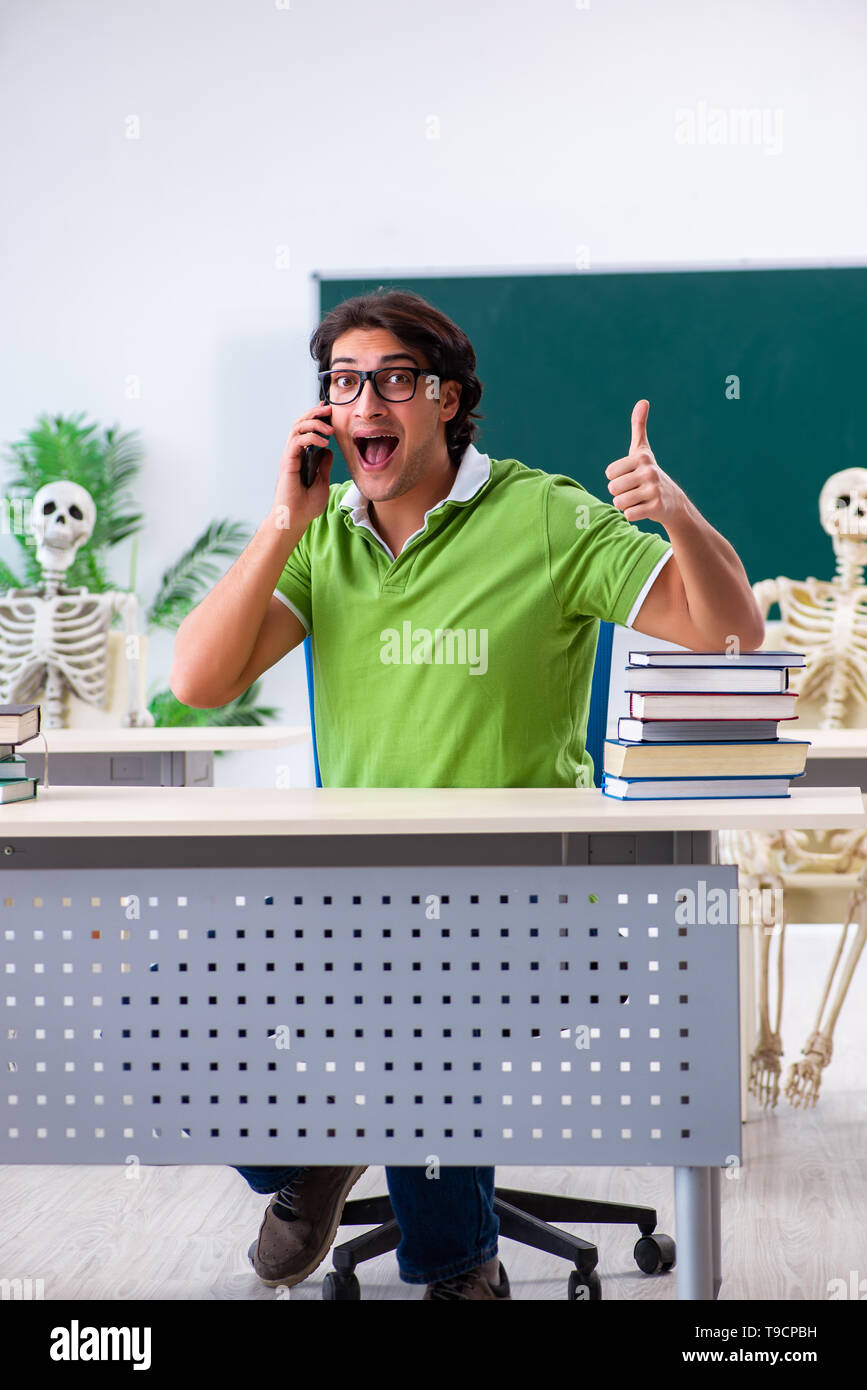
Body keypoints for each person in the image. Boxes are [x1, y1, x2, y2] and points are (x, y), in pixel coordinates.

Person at [170, 288, 764, 1300]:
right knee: (164, 1001)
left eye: (394, 379)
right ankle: (314, 1168)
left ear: (447, 399)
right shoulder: (323, 539)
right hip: (349, 912)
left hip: (534, 916)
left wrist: (677, 514)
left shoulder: (544, 515)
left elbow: (730, 632)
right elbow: (198, 682)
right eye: (345, 382)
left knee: (415, 1001)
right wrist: (285, 519)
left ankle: (456, 1266)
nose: (367, 400)